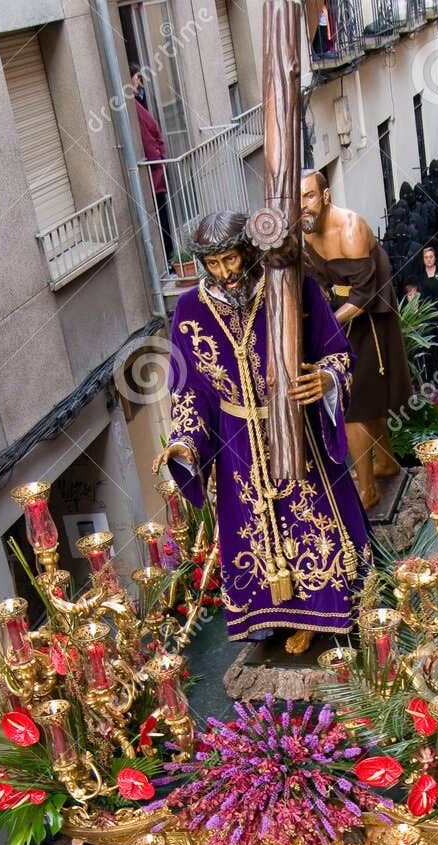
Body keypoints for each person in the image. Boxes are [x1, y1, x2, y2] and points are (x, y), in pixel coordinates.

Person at [154, 210, 371, 656]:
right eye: (213, 264)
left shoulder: (292, 289)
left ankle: (325, 613)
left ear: (250, 252)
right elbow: (188, 390)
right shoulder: (190, 309)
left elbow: (337, 351)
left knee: (312, 518)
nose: (226, 273)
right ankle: (272, 618)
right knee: (252, 532)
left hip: (294, 429)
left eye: (231, 259)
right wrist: (184, 441)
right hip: (237, 447)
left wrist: (326, 379)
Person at [301, 170, 413, 511]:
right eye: (295, 200)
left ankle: (367, 490)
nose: (300, 206)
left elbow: (364, 293)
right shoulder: (305, 233)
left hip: (371, 317)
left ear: (325, 196)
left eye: (307, 196)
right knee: (362, 402)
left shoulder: (350, 229)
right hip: (340, 315)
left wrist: (328, 326)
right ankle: (386, 462)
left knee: (353, 406)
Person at [130, 68, 173, 266]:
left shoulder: (137, 103)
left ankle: (170, 257)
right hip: (154, 174)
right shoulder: (134, 108)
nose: (138, 84)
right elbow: (149, 137)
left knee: (163, 215)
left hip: (156, 171)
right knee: (162, 217)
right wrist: (160, 159)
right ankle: (170, 259)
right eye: (136, 79)